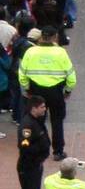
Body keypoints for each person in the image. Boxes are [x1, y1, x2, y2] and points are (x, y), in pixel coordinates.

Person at [18, 25, 76, 160]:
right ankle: (58, 151)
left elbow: (22, 74)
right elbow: (71, 77)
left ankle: (38, 147)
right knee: (57, 121)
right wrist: (67, 91)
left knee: (36, 122)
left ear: (40, 37)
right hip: (56, 92)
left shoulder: (30, 52)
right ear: (55, 37)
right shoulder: (61, 53)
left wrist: (27, 89)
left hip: (36, 92)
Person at [17, 94, 50, 189]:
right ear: (34, 108)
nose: (45, 109)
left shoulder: (36, 120)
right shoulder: (27, 125)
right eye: (42, 107)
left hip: (36, 165)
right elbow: (24, 145)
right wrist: (39, 151)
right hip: (28, 166)